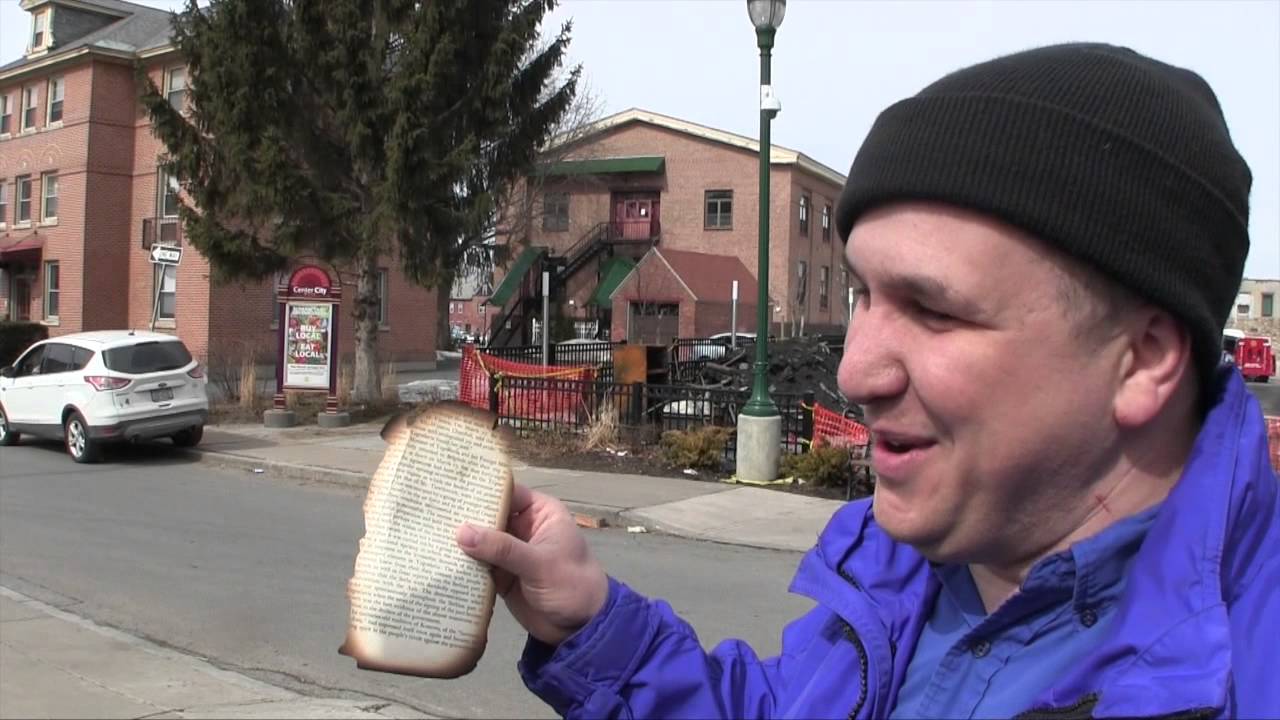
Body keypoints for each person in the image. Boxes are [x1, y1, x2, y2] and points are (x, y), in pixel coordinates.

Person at [456, 43, 1280, 719]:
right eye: (862, 296)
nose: (854, 370)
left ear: (1142, 360)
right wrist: (596, 627)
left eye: (933, 309)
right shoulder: (904, 577)